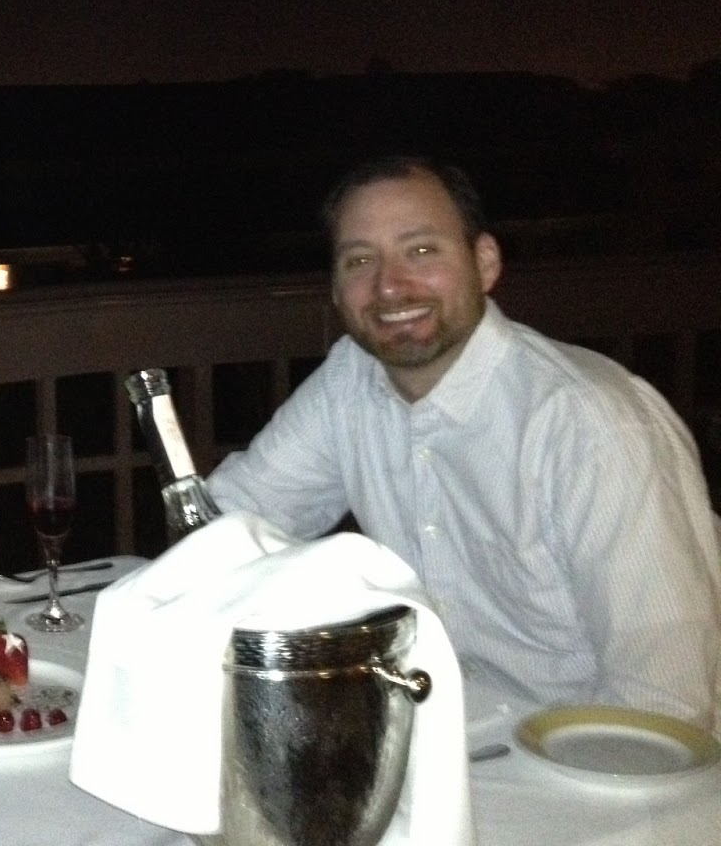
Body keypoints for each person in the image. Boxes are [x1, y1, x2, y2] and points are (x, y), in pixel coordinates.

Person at [206, 156, 721, 730]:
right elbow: (226, 528)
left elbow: (664, 699)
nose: (389, 285)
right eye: (359, 260)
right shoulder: (351, 381)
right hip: (453, 736)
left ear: (485, 262)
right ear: (335, 288)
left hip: (596, 763)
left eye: (421, 250)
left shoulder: (591, 424)